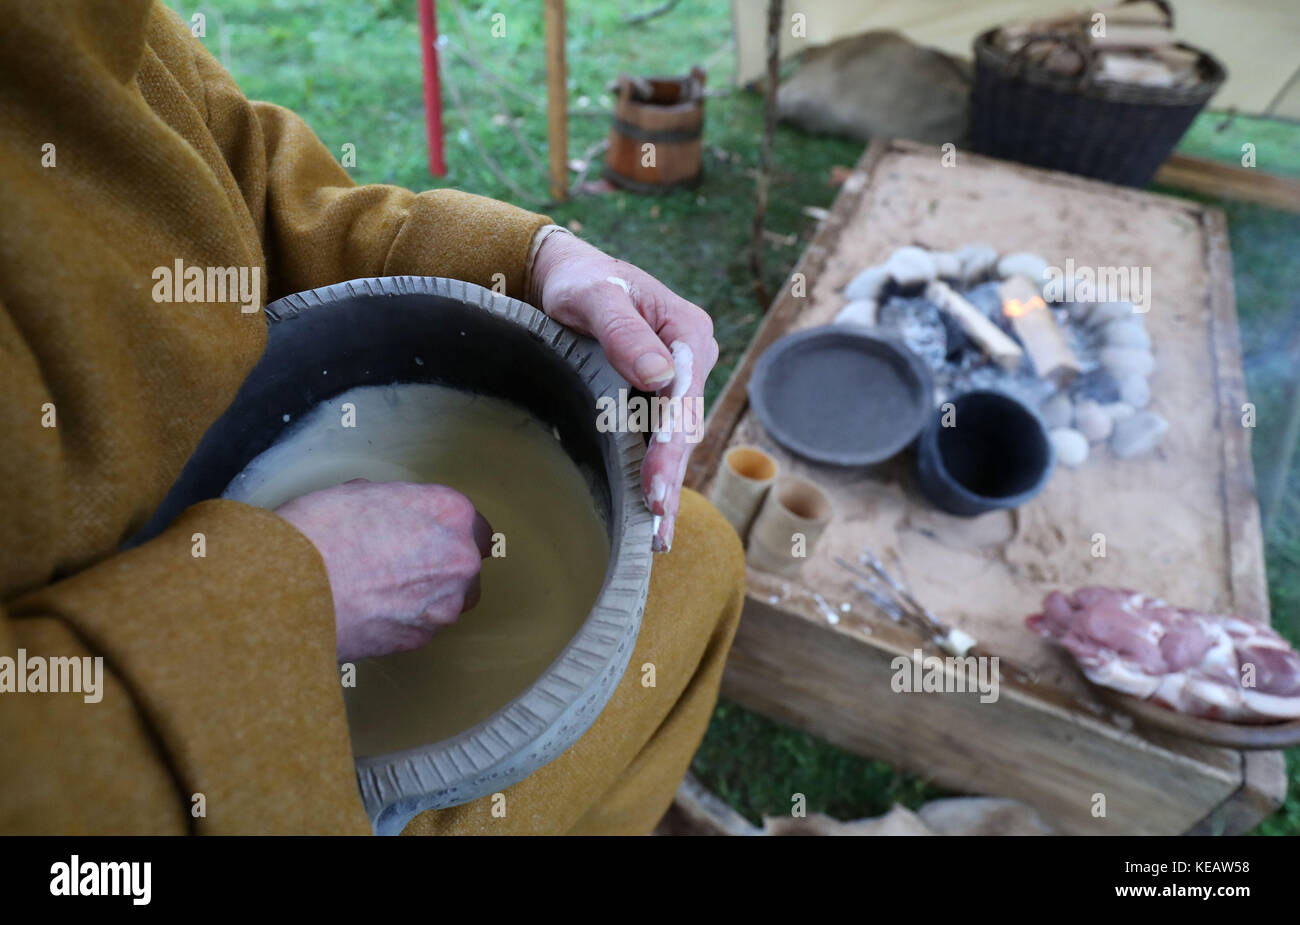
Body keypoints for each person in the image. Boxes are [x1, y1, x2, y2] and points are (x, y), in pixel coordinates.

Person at [0, 0, 745, 834]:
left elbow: (228, 170)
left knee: (704, 553)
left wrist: (528, 264)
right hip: (204, 785)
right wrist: (289, 602)